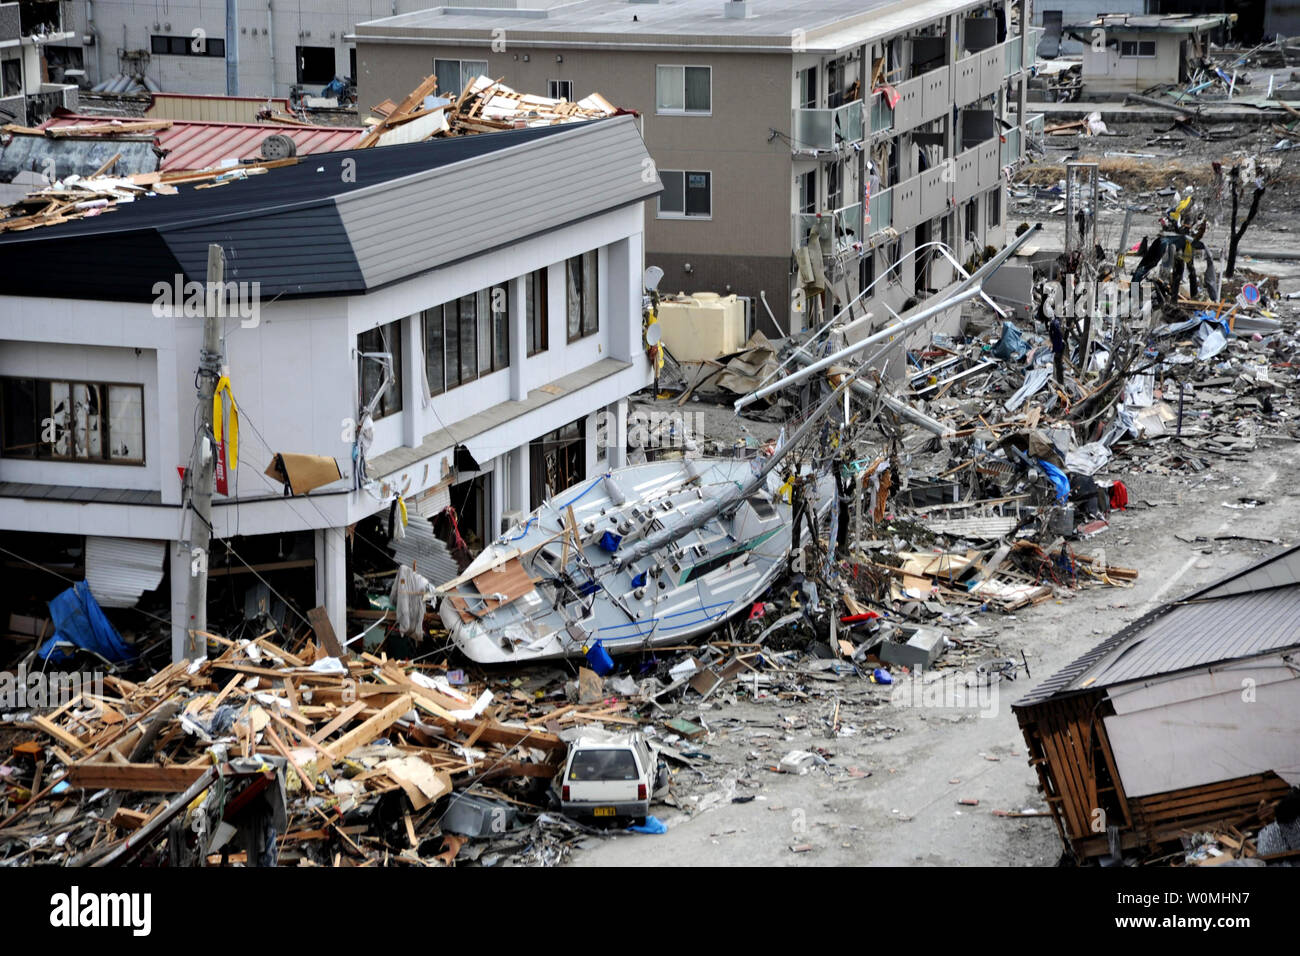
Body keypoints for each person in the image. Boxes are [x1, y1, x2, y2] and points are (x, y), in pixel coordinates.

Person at [1049, 316, 1065, 385]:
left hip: (1057, 344)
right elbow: (1059, 332)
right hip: (1058, 345)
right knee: (1058, 364)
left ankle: (1060, 382)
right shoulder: (1056, 323)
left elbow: (1051, 333)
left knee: (1058, 363)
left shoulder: (1054, 322)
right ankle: (1060, 382)